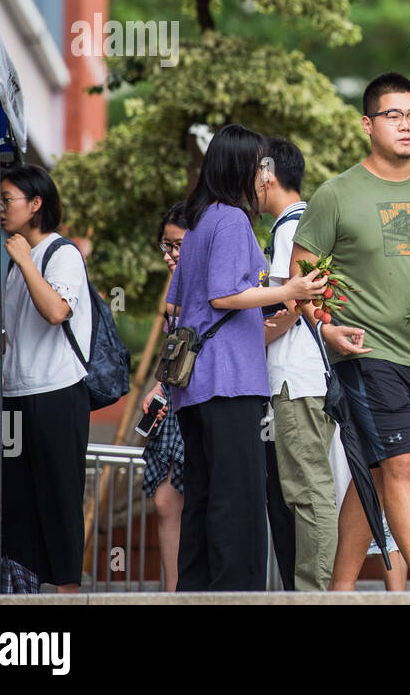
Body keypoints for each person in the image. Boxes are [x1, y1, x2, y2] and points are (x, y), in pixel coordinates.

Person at [292, 72, 410, 593]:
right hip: (365, 355)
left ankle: (339, 592)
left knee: (374, 473)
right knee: (404, 464)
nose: (407, 125)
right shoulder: (336, 195)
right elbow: (301, 282)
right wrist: (326, 332)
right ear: (368, 125)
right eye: (394, 115)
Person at [167, 124, 329, 591]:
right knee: (237, 497)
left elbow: (179, 300)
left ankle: (195, 594)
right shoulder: (233, 219)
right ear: (242, 167)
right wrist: (290, 289)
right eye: (261, 165)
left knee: (202, 495)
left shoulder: (197, 222)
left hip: (195, 382)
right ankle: (237, 596)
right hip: (230, 377)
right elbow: (224, 295)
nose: (265, 176)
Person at [252, 136, 341, 592]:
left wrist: (249, 338)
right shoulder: (300, 222)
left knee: (307, 492)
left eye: (253, 173)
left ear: (267, 175)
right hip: (309, 376)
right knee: (305, 490)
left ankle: (313, 595)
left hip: (299, 377)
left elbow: (292, 307)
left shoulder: (293, 229)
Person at [0, 164, 92, 591]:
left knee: (58, 501)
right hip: (17, 395)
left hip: (56, 394)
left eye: (7, 200)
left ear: (35, 205)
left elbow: (56, 312)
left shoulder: (61, 254)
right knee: (17, 506)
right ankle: (23, 597)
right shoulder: (16, 264)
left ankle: (68, 596)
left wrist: (24, 260)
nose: (1, 208)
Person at [139, 203, 190, 590]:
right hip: (174, 398)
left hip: (202, 403)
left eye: (178, 246)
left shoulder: (212, 284)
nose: (171, 255)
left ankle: (185, 593)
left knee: (177, 500)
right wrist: (159, 383)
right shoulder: (177, 286)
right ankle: (172, 594)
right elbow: (176, 346)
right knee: (165, 500)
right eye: (166, 246)